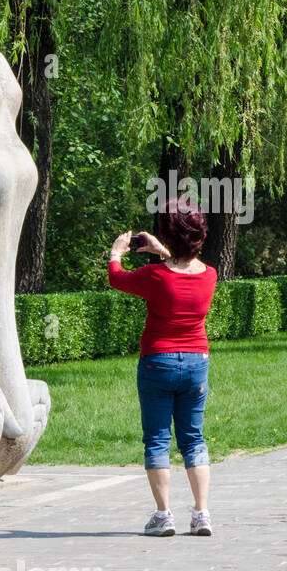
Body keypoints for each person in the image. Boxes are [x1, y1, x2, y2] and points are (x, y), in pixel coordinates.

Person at [108, 198, 217, 537]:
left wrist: (116, 252)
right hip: (197, 362)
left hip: (157, 361)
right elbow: (182, 270)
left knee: (157, 439)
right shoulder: (210, 276)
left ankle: (163, 515)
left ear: (166, 235)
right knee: (193, 438)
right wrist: (163, 251)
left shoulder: (154, 276)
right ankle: (201, 514)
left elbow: (117, 278)